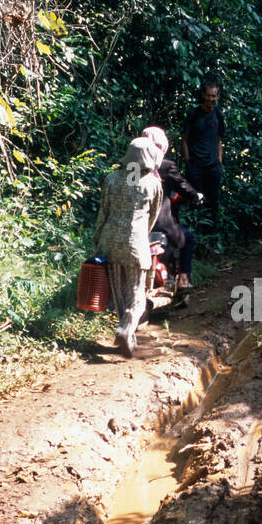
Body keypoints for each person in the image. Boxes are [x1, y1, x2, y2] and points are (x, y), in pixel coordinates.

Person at [92, 127, 169, 356]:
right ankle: (126, 329)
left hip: (109, 241)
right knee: (137, 296)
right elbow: (152, 218)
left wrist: (98, 240)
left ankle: (127, 332)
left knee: (119, 291)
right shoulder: (153, 184)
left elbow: (103, 212)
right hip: (135, 243)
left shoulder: (112, 178)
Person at [155, 144, 204, 294]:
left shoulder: (131, 167)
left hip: (136, 223)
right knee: (188, 238)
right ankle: (183, 280)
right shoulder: (164, 166)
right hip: (159, 223)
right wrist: (196, 196)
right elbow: (181, 186)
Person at [181, 73, 224, 232]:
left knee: (213, 203)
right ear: (203, 95)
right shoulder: (193, 114)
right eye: (208, 95)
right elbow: (184, 139)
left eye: (214, 96)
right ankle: (196, 237)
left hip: (213, 167)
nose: (211, 99)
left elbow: (219, 140)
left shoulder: (218, 115)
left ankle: (212, 237)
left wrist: (219, 162)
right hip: (196, 167)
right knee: (195, 201)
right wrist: (188, 163)